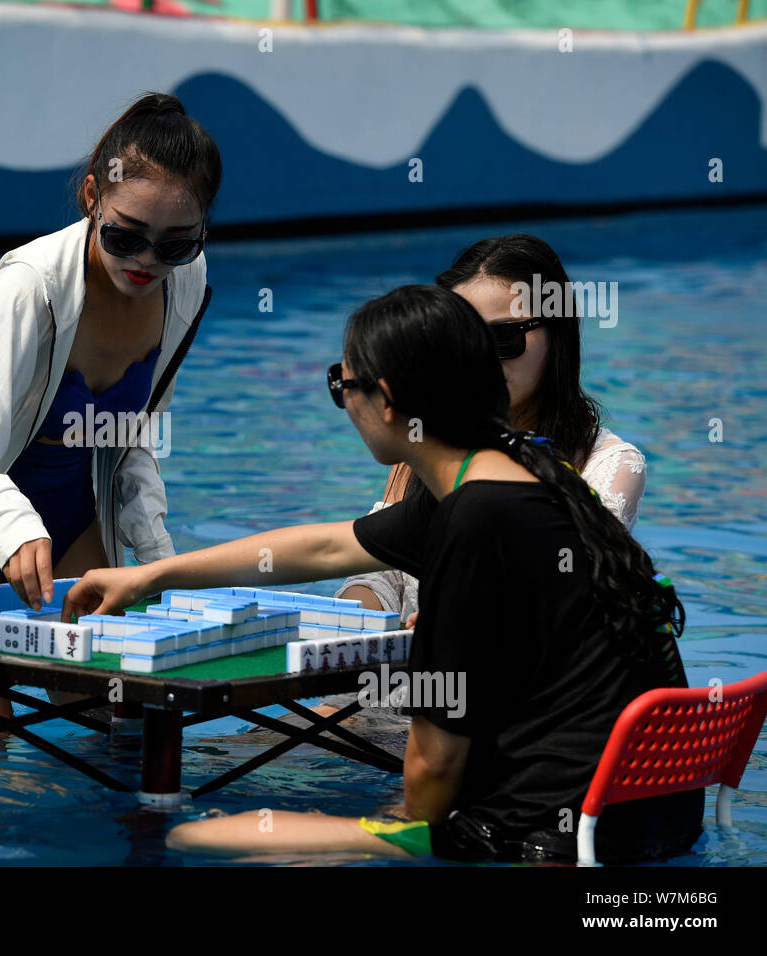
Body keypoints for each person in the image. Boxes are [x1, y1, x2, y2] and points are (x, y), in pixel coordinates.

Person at [62, 284, 703, 863]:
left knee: (193, 836)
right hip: (661, 815)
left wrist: (377, 835)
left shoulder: (474, 521)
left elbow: (432, 765)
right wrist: (153, 577)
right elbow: (326, 549)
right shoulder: (522, 474)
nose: (344, 402)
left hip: (557, 840)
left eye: (345, 386)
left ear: (388, 402)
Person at [0, 91, 221, 612]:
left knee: (112, 695)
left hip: (74, 527)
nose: (147, 261)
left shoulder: (186, 280)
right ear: (92, 196)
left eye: (176, 244)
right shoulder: (34, 286)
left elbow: (131, 435)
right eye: (126, 236)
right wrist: (7, 516)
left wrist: (157, 554)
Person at [339, 235, 647, 623]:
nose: (481, 358)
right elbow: (378, 569)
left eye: (504, 338)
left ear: (558, 333)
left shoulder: (610, 464)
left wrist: (457, 624)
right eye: (463, 340)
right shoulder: (425, 445)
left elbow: (564, 592)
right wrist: (350, 624)